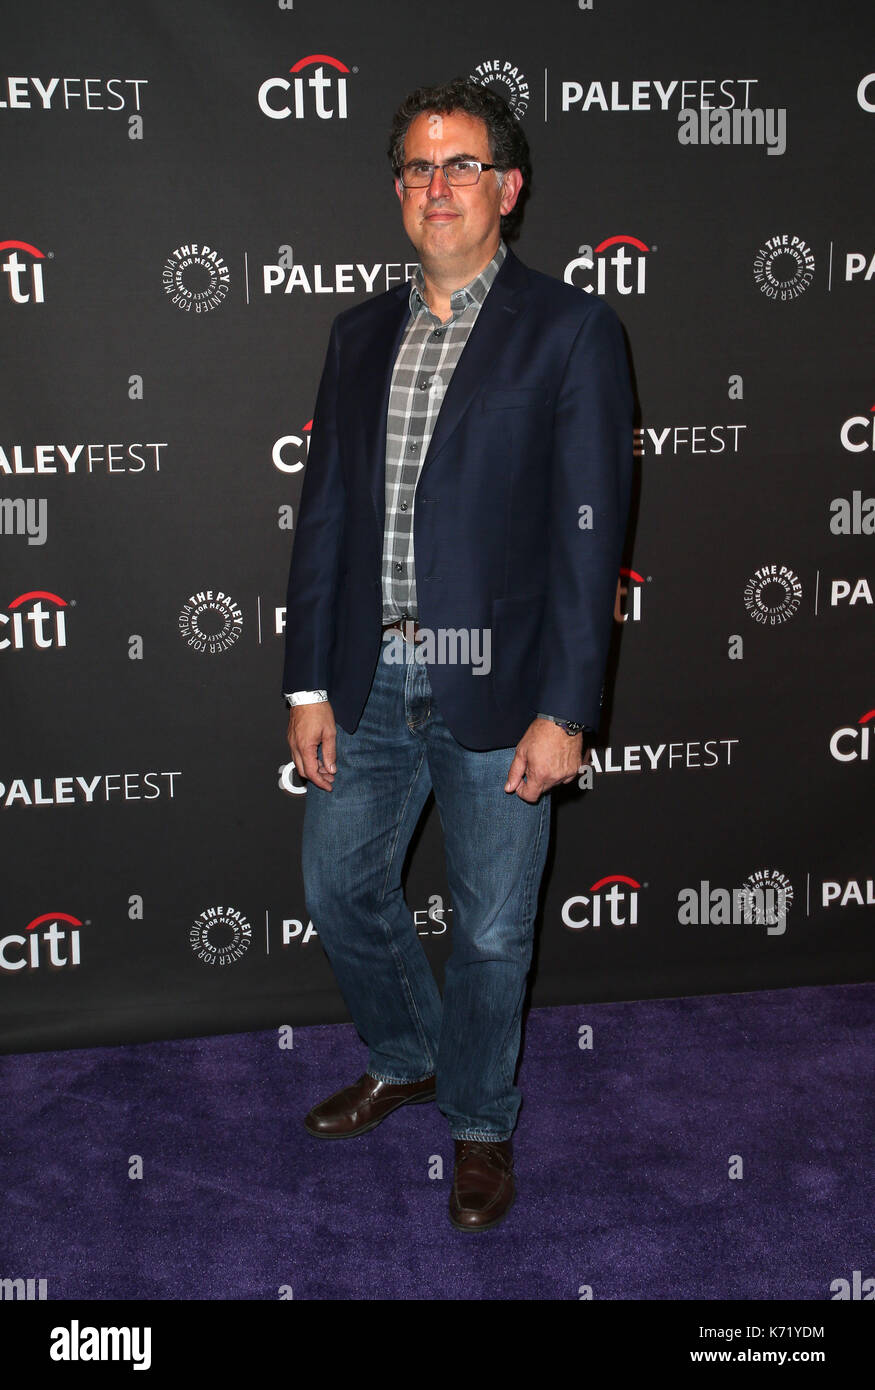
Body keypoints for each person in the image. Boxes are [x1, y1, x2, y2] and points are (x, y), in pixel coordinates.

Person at [282, 77, 634, 1231]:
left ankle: (479, 1124)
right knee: (337, 886)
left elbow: (592, 539)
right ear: (399, 192)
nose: (437, 188)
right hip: (370, 675)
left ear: (507, 187)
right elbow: (325, 515)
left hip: (503, 684)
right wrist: (307, 679)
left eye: (461, 165)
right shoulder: (355, 333)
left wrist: (566, 707)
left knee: (489, 926)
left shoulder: (574, 330)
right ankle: (408, 1052)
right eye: (417, 169)